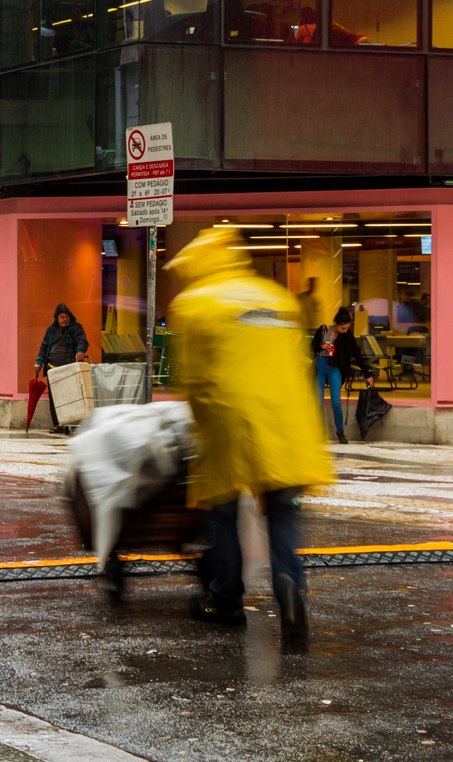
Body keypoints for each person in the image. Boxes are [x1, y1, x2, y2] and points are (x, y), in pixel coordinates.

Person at [168, 226, 331, 647]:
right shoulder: (276, 297)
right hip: (287, 424)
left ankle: (226, 600)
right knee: (283, 511)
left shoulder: (196, 304)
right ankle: (289, 590)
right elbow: (298, 363)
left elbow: (193, 382)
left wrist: (200, 430)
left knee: (223, 515)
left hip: (231, 422)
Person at [34, 303, 90, 434]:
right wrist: (39, 362)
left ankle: (71, 423)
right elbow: (44, 346)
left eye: (67, 316)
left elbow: (82, 340)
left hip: (69, 369)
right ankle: (58, 424)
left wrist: (80, 350)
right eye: (62, 317)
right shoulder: (51, 330)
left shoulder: (76, 327)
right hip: (53, 369)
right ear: (57, 318)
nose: (65, 319)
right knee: (55, 398)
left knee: (71, 396)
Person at [313, 305, 357, 444]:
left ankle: (340, 432)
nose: (345, 331)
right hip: (320, 365)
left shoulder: (345, 336)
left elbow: (355, 352)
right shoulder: (324, 329)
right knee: (319, 401)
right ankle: (320, 432)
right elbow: (312, 346)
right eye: (343, 328)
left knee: (336, 402)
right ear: (336, 325)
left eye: (347, 328)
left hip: (334, 367)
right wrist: (322, 346)